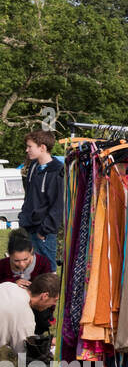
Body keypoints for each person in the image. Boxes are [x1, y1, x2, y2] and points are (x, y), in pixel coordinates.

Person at [18, 130, 63, 268]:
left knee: (47, 272)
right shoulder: (33, 166)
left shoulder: (58, 171)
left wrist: (44, 231)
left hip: (44, 232)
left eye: (30, 146)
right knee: (30, 270)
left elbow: (58, 206)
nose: (27, 150)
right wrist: (23, 217)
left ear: (42, 147)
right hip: (28, 227)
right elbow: (29, 197)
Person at [0, 271, 59, 353]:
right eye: (55, 300)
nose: (54, 304)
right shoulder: (25, 317)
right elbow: (24, 355)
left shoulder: (7, 285)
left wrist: (48, 341)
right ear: (44, 296)